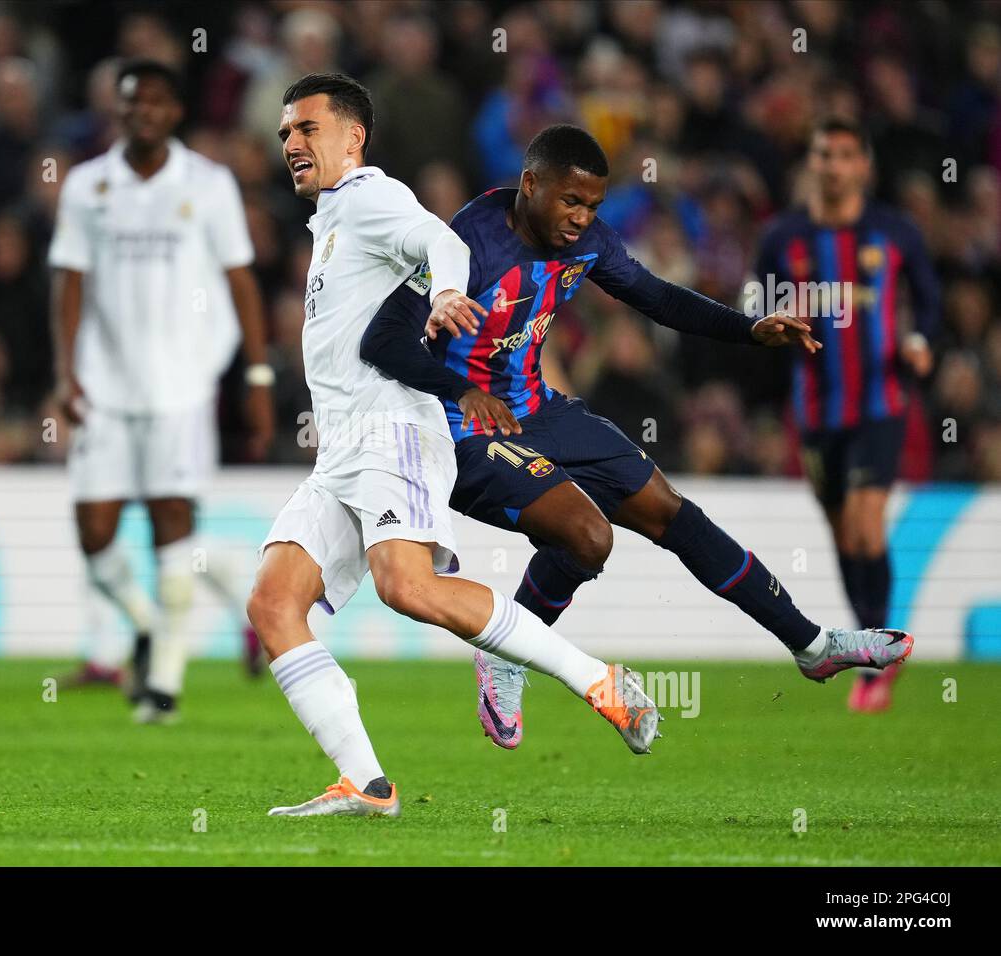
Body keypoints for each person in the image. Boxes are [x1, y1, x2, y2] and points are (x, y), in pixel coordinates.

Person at [360, 124, 914, 750]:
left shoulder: (588, 242)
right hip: (458, 428)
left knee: (669, 511)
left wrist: (747, 328)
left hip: (537, 410)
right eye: (570, 202)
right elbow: (380, 340)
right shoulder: (465, 242)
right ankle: (505, 652)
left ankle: (812, 646)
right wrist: (460, 390)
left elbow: (656, 297)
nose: (581, 219)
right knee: (589, 537)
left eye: (592, 206)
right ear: (530, 185)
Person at [248, 76, 660, 819]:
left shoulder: (371, 197)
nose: (292, 144)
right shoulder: (334, 217)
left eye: (308, 129)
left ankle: (598, 680)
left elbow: (438, 236)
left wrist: (444, 293)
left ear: (353, 138)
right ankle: (366, 785)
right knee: (275, 603)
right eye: (285, 134)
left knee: (407, 587)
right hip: (343, 450)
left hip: (394, 429)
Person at [47, 60, 275, 722]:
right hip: (105, 385)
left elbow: (240, 280)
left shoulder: (207, 184)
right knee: (95, 534)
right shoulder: (89, 186)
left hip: (183, 384)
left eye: (155, 102)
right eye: (130, 103)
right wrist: (66, 373)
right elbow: (68, 279)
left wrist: (256, 376)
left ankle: (163, 686)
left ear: (175, 112)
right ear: (117, 113)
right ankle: (153, 622)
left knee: (171, 529)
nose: (143, 113)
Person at [756, 118, 939, 713]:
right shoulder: (784, 236)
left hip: (880, 403)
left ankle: (880, 649)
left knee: (866, 522)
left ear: (863, 165)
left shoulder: (893, 233)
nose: (831, 165)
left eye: (843, 155)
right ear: (812, 162)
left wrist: (919, 339)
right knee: (840, 533)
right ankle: (868, 647)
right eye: (822, 153)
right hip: (814, 409)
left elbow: (930, 299)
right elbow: (754, 304)